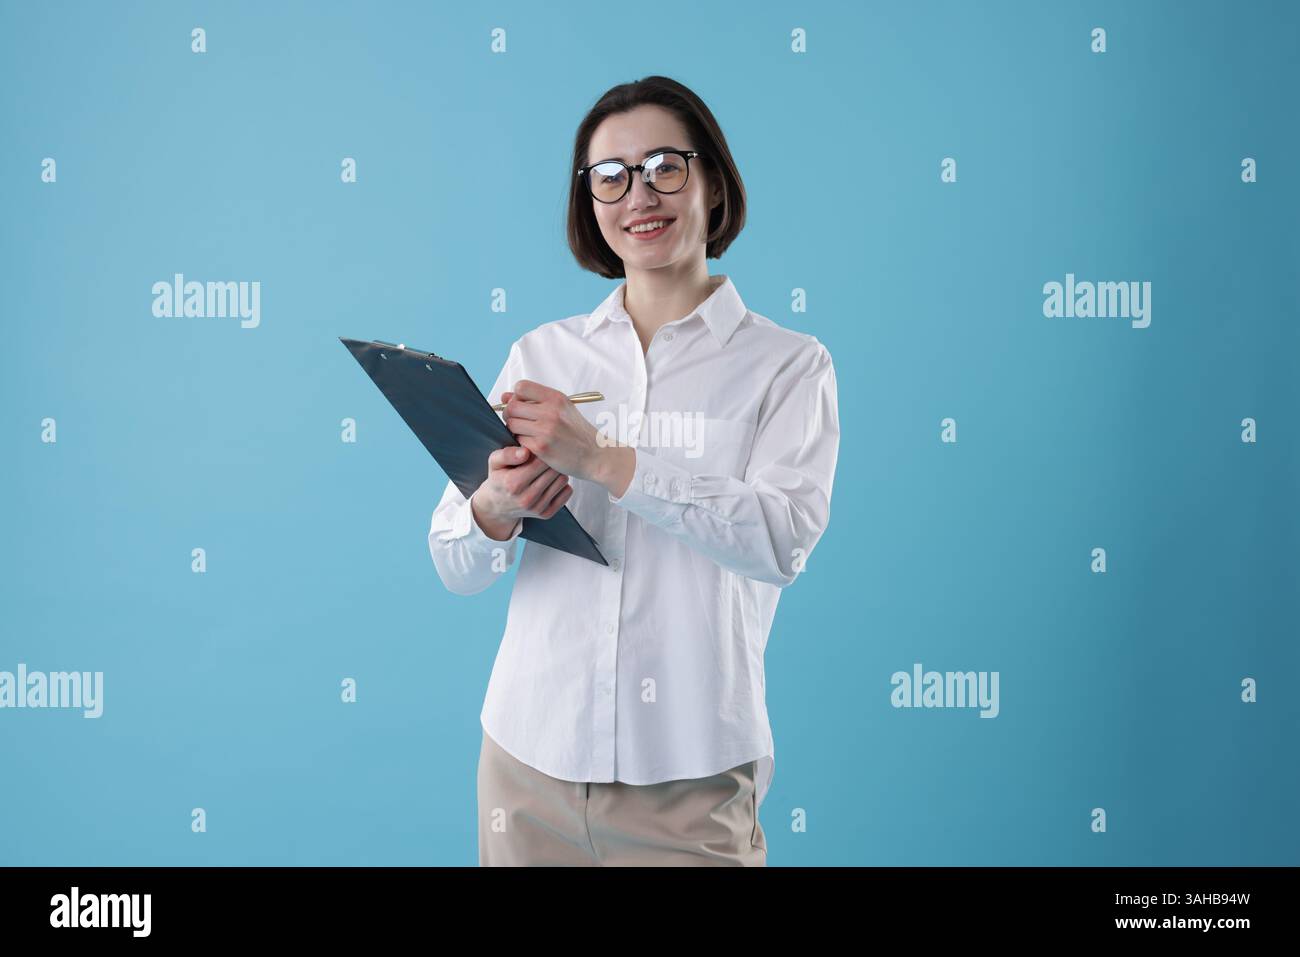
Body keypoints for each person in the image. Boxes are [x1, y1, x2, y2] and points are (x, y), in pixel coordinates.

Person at [428, 75, 840, 866]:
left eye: (664, 166)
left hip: (689, 777)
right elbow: (454, 559)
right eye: (610, 176)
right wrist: (496, 505)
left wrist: (608, 462)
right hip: (525, 766)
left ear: (711, 179)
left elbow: (781, 540)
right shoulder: (541, 355)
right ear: (590, 201)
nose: (638, 194)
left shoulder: (789, 366)